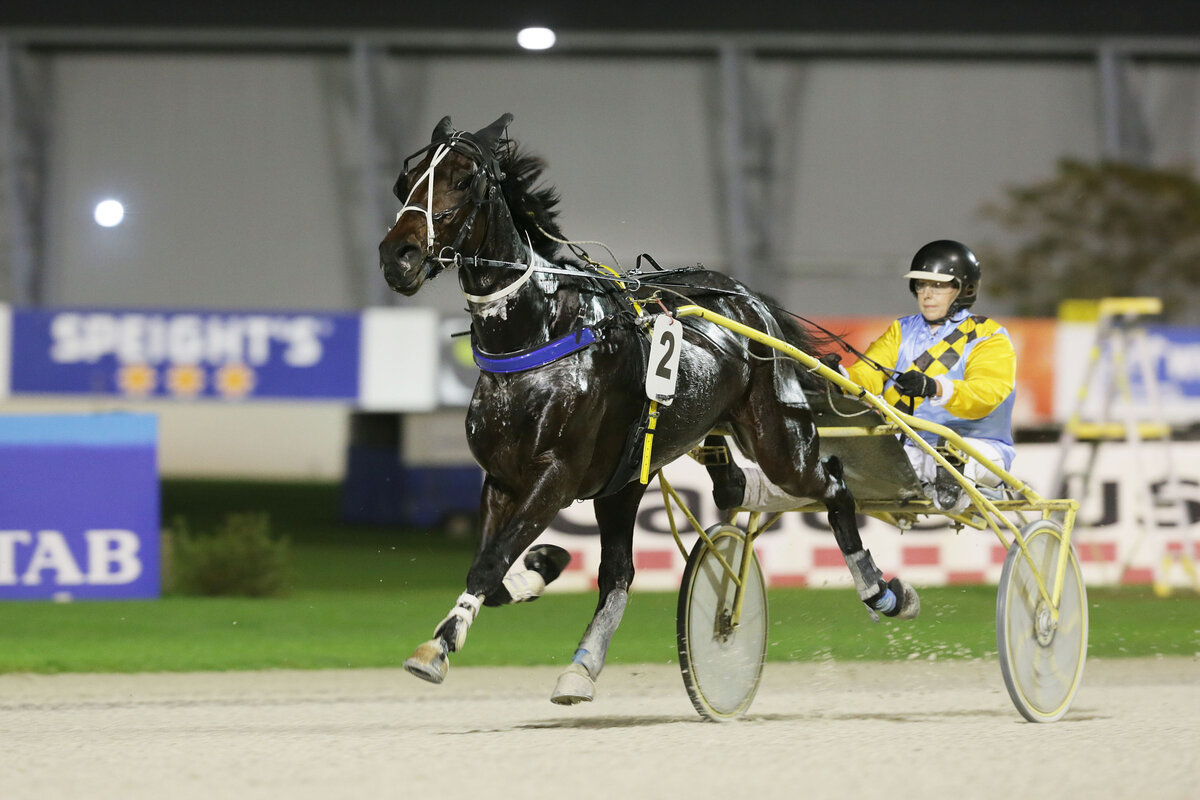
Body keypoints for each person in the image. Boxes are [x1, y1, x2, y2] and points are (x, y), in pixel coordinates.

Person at [837, 239, 1016, 511]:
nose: (927, 294)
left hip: (979, 448)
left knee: (954, 459)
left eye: (938, 286)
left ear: (964, 289)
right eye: (921, 285)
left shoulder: (989, 336)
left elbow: (987, 393)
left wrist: (936, 388)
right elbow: (869, 372)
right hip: (909, 448)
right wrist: (840, 378)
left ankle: (952, 474)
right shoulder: (900, 330)